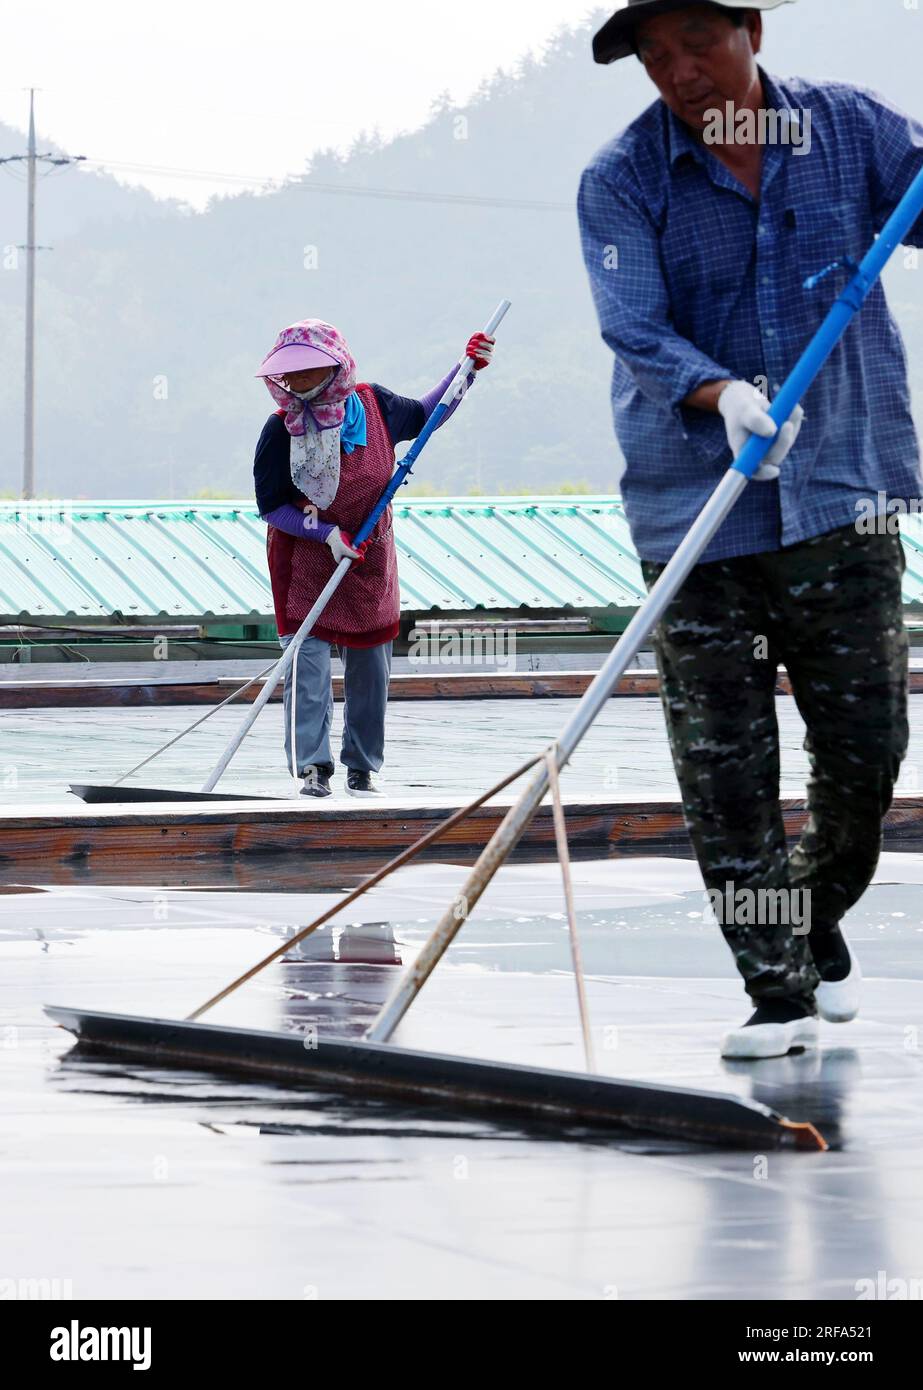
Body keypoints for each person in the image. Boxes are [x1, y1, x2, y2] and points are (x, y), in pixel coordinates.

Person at [579, 0, 923, 1057]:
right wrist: (719, 391)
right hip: (699, 510)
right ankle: (775, 992)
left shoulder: (853, 131)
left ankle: (808, 911)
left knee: (866, 753)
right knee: (725, 771)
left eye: (696, 44)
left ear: (752, 34)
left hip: (840, 494)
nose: (678, 72)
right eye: (652, 55)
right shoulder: (621, 178)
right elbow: (633, 323)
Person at [253, 318, 495, 798]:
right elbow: (272, 506)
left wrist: (465, 370)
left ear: (335, 366)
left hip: (368, 555)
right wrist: (323, 533)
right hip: (306, 560)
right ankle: (312, 769)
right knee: (309, 667)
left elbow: (430, 412)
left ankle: (362, 766)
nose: (296, 382)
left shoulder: (374, 405)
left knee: (370, 666)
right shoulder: (281, 430)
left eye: (307, 371)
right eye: (289, 374)